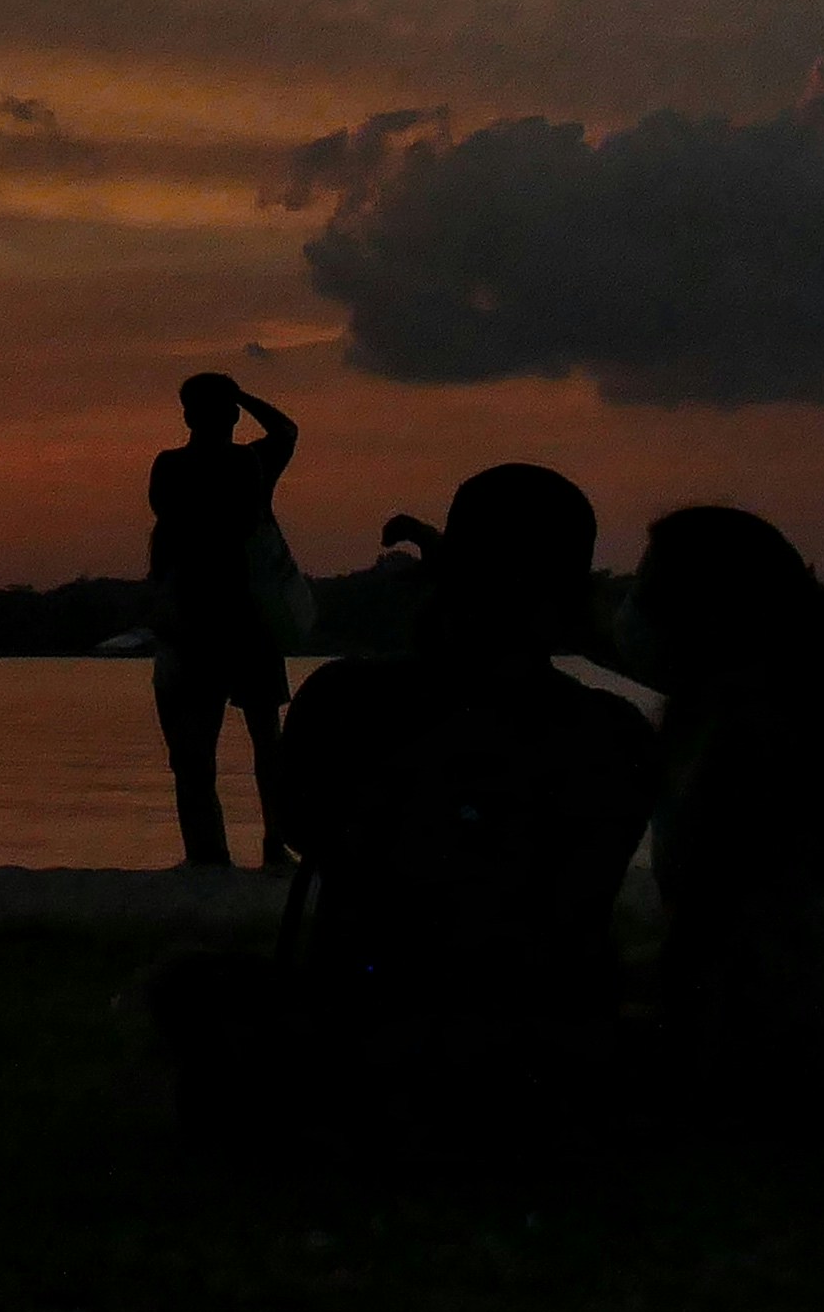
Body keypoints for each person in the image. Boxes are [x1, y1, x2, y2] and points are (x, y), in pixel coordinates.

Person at [156, 464, 658, 1153]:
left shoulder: (345, 701)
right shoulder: (617, 734)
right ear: (572, 593)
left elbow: (305, 825)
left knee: (191, 988)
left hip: (371, 1038)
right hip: (546, 1059)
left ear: (448, 573)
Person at [614, 504, 824, 1133]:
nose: (630, 611)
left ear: (707, 616)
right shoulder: (756, 702)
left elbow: (703, 948)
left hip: (789, 1063)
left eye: (646, 593)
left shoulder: (753, 742)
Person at [145, 372, 309, 871]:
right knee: (260, 739)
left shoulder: (176, 467)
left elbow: (167, 539)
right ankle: (268, 843)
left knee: (198, 749)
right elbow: (286, 430)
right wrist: (243, 397)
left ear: (190, 415)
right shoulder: (247, 463)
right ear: (231, 415)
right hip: (239, 617)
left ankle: (211, 852)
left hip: (204, 618)